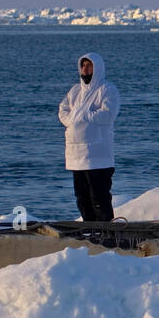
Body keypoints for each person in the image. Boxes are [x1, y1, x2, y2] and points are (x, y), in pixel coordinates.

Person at [57, 52, 121, 222]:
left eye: (89, 65)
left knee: (99, 198)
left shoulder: (107, 89)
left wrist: (82, 114)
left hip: (97, 156)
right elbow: (62, 111)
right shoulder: (75, 91)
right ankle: (89, 231)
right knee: (82, 198)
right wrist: (74, 118)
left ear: (97, 68)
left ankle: (106, 233)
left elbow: (107, 115)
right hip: (75, 156)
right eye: (83, 65)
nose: (85, 69)